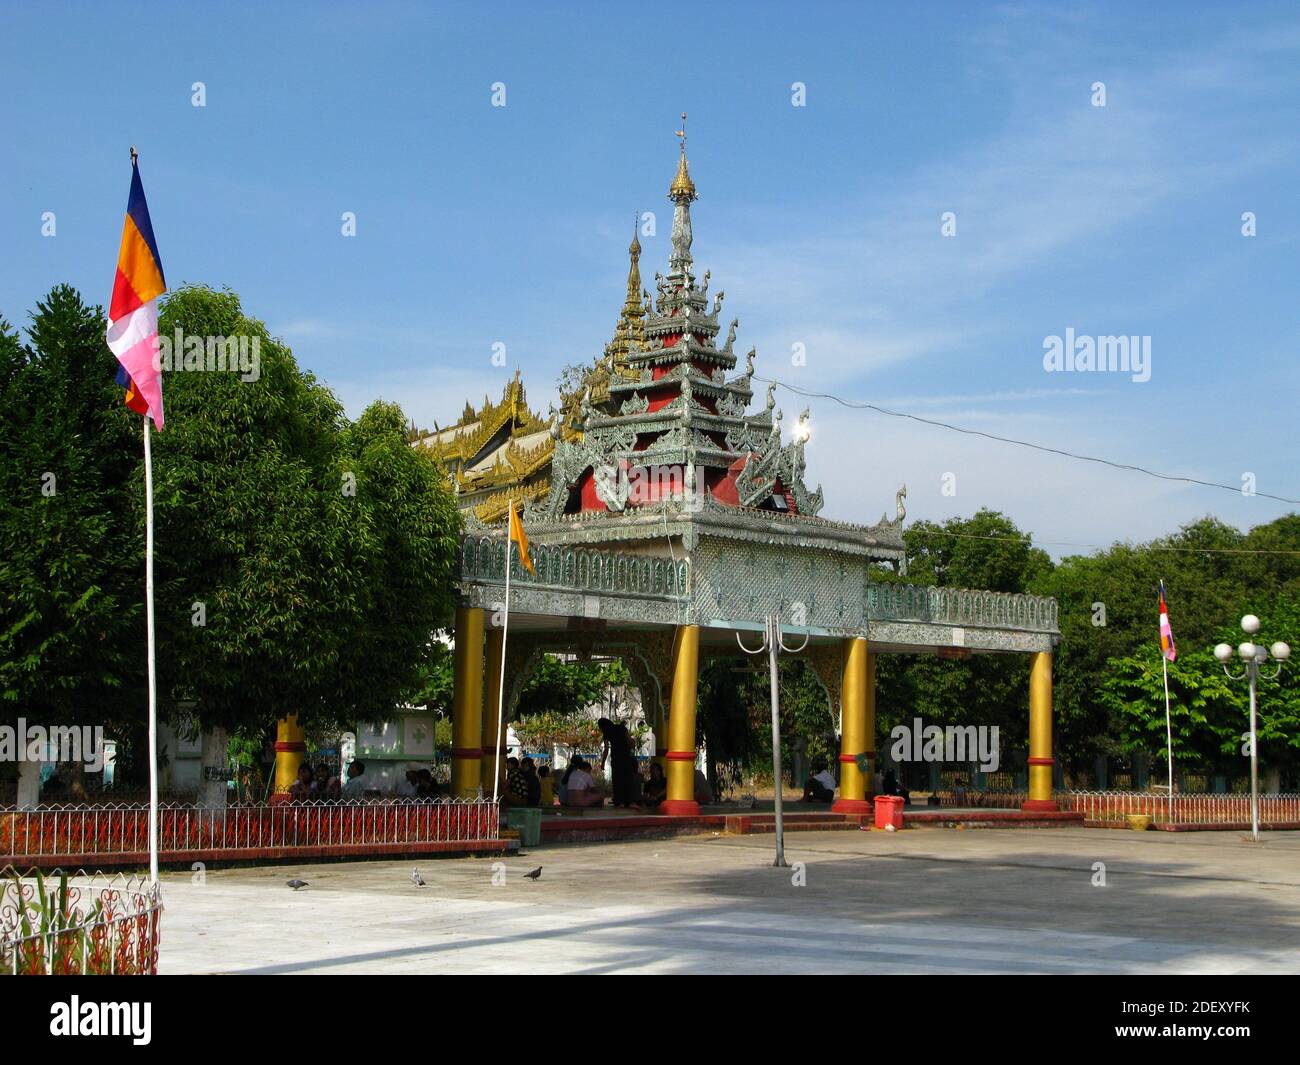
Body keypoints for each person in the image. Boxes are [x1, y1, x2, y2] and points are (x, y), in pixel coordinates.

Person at [598, 718, 640, 808]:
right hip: (626, 756)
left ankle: (619, 801)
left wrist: (603, 763)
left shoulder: (606, 732)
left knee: (617, 779)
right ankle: (630, 801)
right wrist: (632, 745)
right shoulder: (621, 728)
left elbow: (606, 749)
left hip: (616, 757)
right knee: (628, 778)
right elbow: (629, 741)